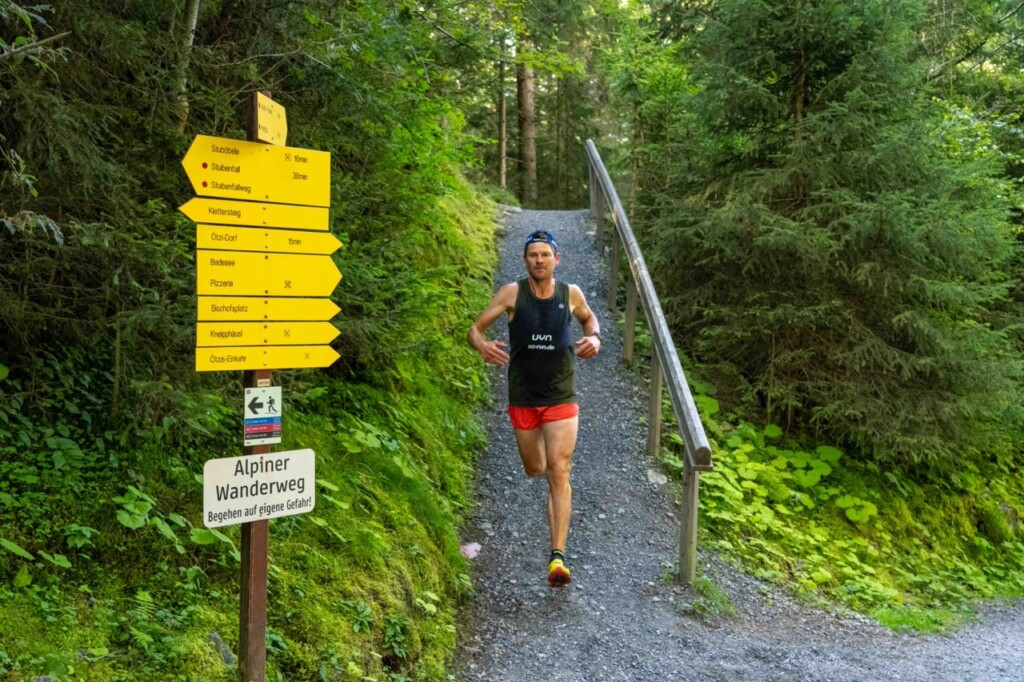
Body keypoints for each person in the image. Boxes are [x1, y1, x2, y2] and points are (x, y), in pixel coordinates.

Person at [468, 229, 601, 587]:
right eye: (532, 255)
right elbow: (475, 329)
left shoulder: (570, 293)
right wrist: (481, 345)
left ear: (557, 259)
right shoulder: (513, 293)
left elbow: (589, 319)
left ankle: (557, 557)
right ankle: (552, 482)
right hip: (524, 396)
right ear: (525, 260)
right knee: (535, 467)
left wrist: (595, 337)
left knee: (559, 469)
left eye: (545, 254)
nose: (539, 260)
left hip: (561, 395)